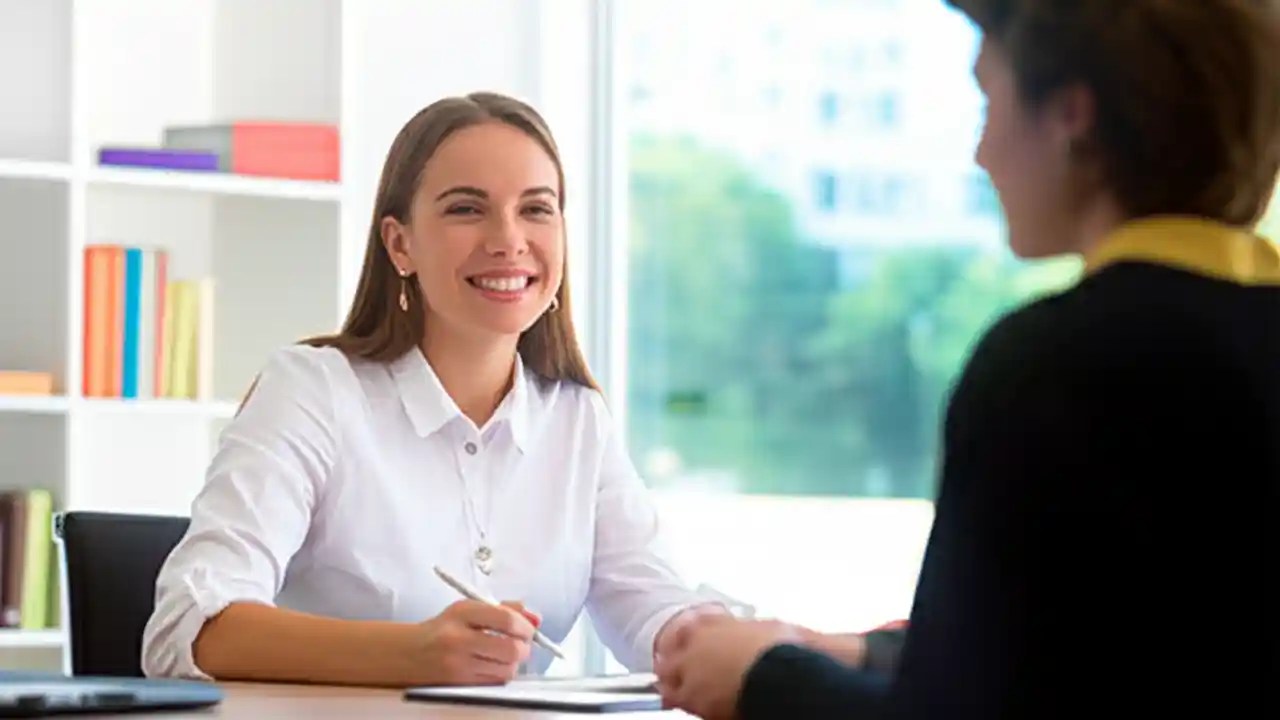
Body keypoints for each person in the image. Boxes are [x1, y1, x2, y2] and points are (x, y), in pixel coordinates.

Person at [656, 0, 1280, 717]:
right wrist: (860, 654)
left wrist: (764, 679)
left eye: (990, 102)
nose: (981, 152)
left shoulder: (1056, 366)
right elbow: (1116, 652)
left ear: (1072, 115)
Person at [141, 92, 722, 687]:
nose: (508, 239)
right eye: (467, 209)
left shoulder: (577, 419)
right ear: (400, 244)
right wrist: (411, 653)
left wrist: (768, 650)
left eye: (536, 210)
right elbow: (191, 630)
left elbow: (654, 611)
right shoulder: (314, 391)